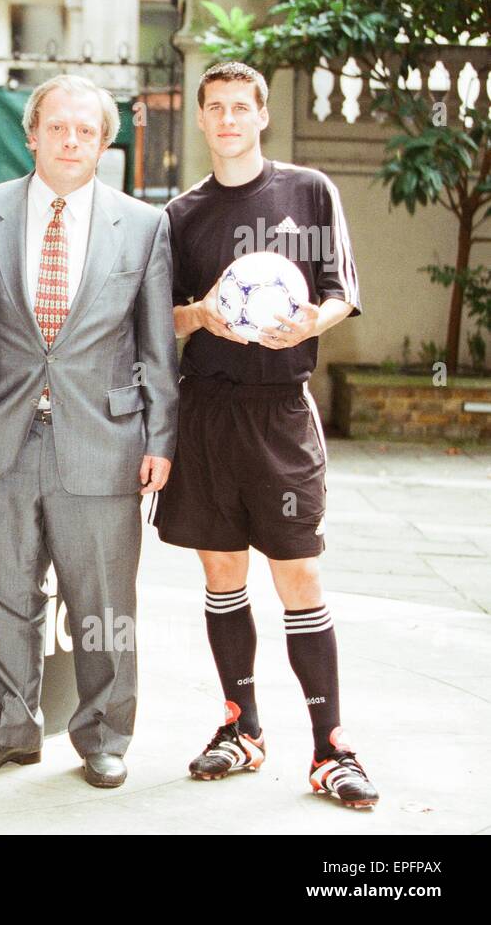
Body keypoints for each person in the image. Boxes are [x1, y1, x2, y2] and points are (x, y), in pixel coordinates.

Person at [0, 74, 178, 788]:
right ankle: (11, 731)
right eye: (57, 127)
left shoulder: (142, 225)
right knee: (3, 596)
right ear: (31, 133)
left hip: (102, 443)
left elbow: (155, 343)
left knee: (104, 602)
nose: (71, 140)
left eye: (86, 130)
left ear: (105, 143)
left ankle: (105, 735)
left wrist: (159, 440)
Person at [153, 61, 376, 808]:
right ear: (201, 117)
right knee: (222, 575)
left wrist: (312, 320)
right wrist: (203, 315)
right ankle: (240, 727)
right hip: (207, 411)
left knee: (299, 574)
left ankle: (330, 748)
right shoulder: (180, 216)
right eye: (214, 107)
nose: (227, 119)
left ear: (261, 115)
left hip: (281, 411)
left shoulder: (309, 191)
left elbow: (343, 293)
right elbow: (162, 319)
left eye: (240, 108)